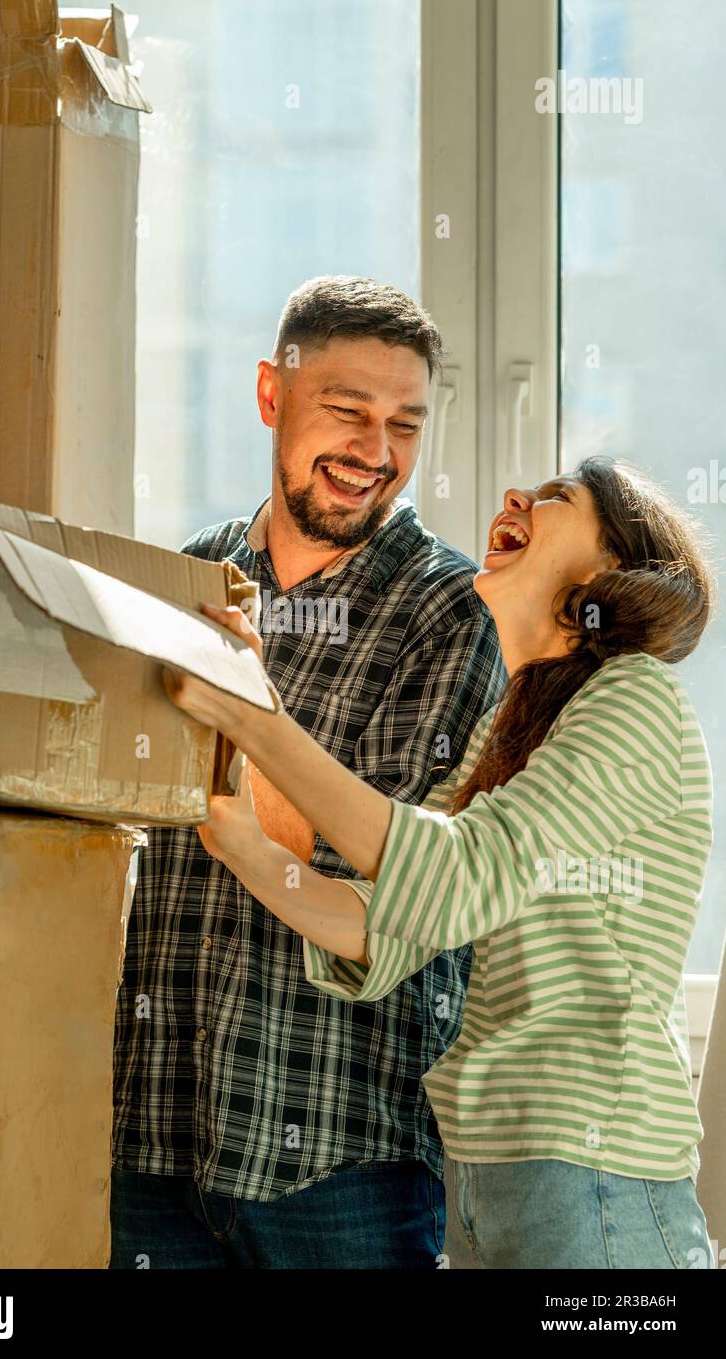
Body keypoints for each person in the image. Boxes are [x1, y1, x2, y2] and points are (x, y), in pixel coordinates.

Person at [164, 455, 717, 1269]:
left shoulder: (636, 697)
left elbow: (461, 873)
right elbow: (392, 925)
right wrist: (244, 844)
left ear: (611, 567)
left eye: (558, 498)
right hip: (486, 1182)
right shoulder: (511, 730)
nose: (514, 498)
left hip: (598, 1184)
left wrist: (262, 724)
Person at [110, 275, 505, 1269]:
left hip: (342, 1161)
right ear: (270, 395)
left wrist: (248, 704)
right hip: (157, 1137)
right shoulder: (188, 581)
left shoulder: (451, 613)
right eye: (349, 411)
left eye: (405, 424)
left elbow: (366, 875)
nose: (377, 452)